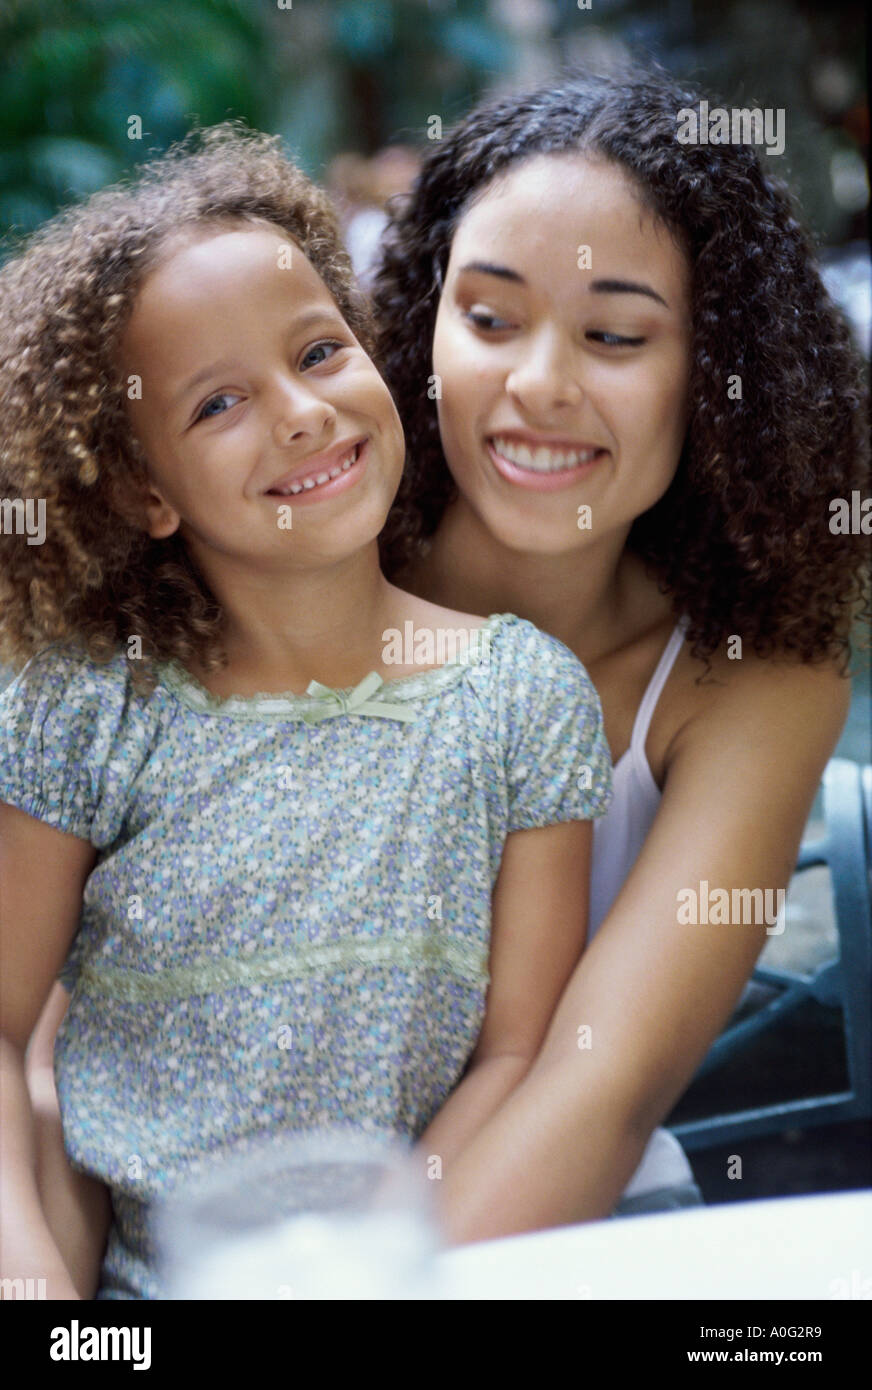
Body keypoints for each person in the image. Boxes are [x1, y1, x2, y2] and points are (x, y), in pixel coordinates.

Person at [0, 124, 613, 1299]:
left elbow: (518, 1051)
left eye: (319, 352)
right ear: (145, 492)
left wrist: (377, 1260)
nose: (298, 413)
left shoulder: (521, 699)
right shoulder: (84, 707)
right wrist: (30, 1270)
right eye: (218, 402)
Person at [371, 64, 870, 1241]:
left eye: (613, 334)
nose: (536, 385)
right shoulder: (299, 567)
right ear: (424, 319)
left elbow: (599, 1095)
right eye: (487, 319)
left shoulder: (753, 669)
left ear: (712, 373)